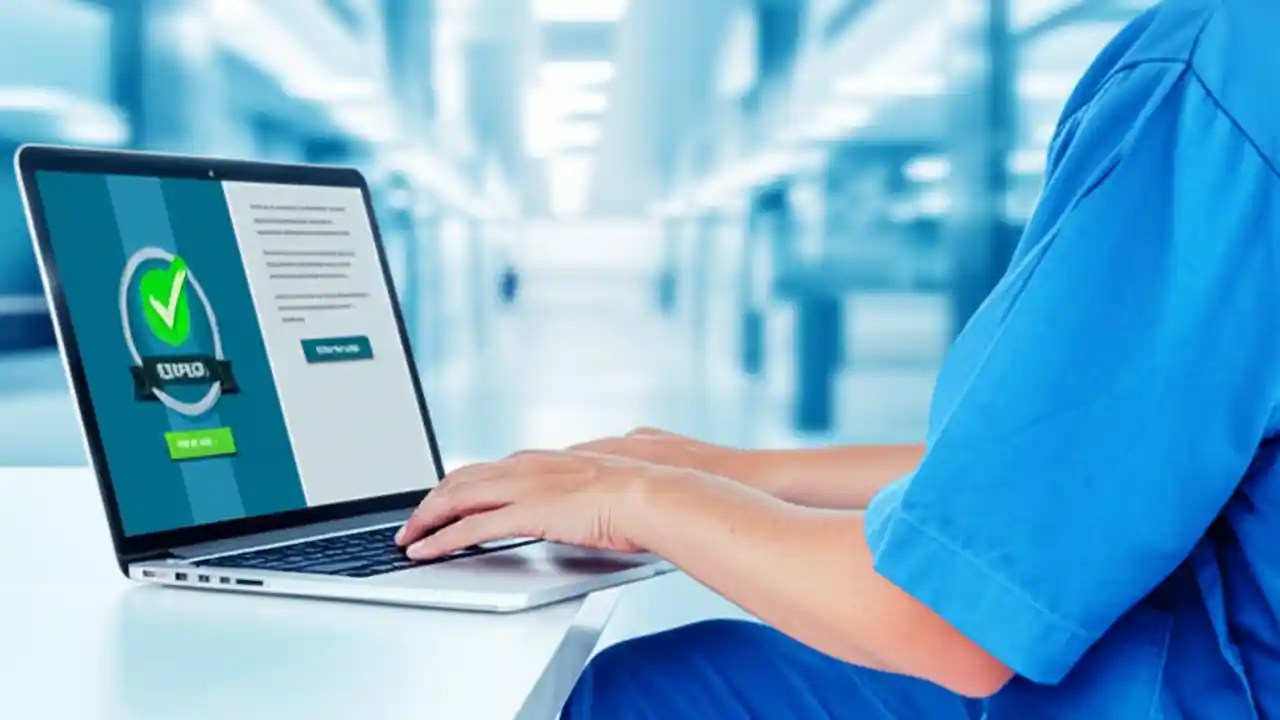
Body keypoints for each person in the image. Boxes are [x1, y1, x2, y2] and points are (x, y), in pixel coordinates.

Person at [396, 0, 1280, 716]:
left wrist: (637, 498)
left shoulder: (1221, 68)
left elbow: (946, 625)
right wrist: (748, 471)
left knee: (642, 696)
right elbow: (1087, 470)